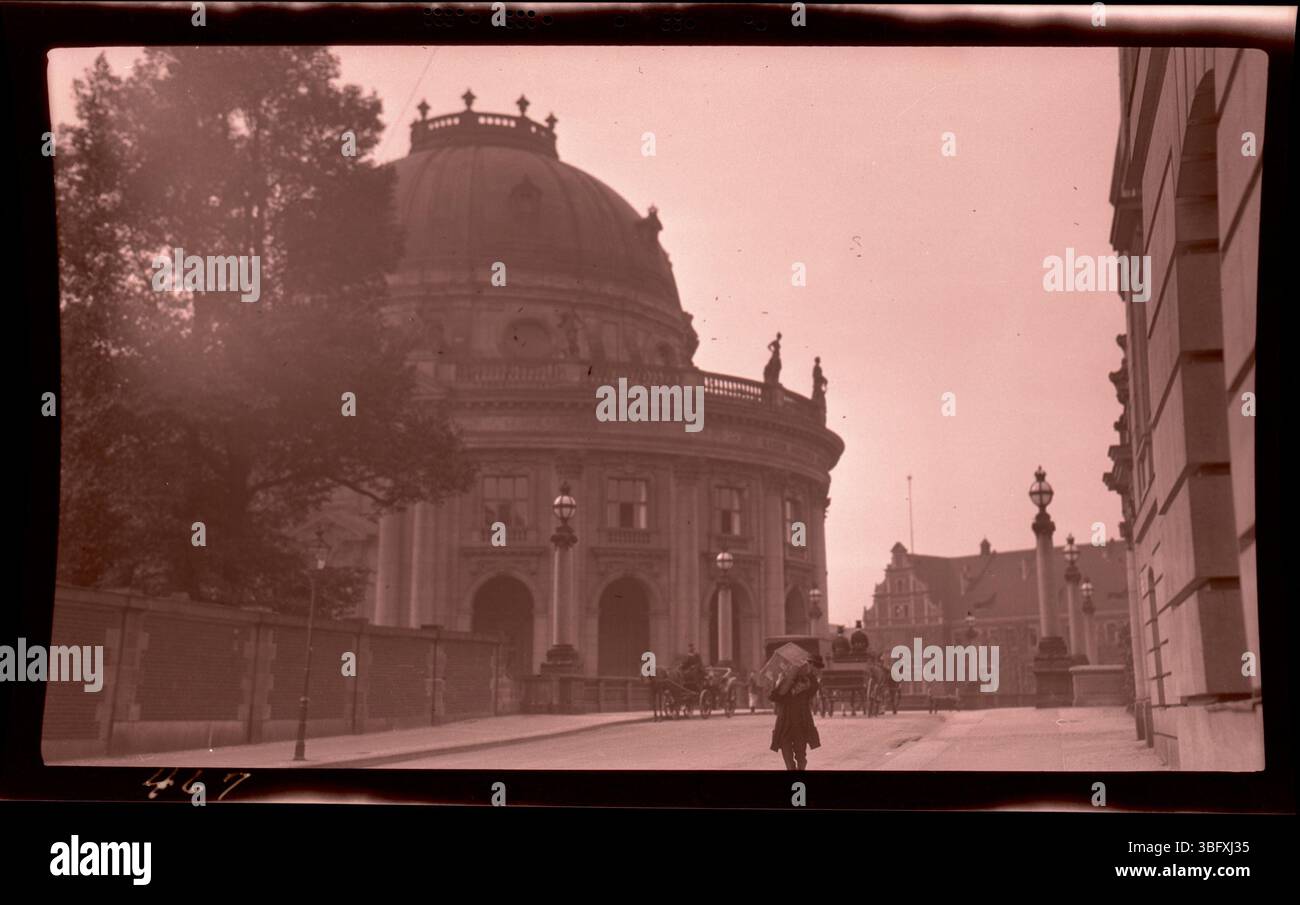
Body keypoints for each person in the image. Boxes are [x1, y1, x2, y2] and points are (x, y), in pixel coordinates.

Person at [769, 660, 822, 771]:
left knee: (801, 756)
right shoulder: (784, 683)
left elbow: (814, 686)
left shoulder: (806, 683)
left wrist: (809, 672)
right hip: (785, 724)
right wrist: (783, 680)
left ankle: (801, 767)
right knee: (787, 756)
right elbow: (773, 696)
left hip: (801, 725)